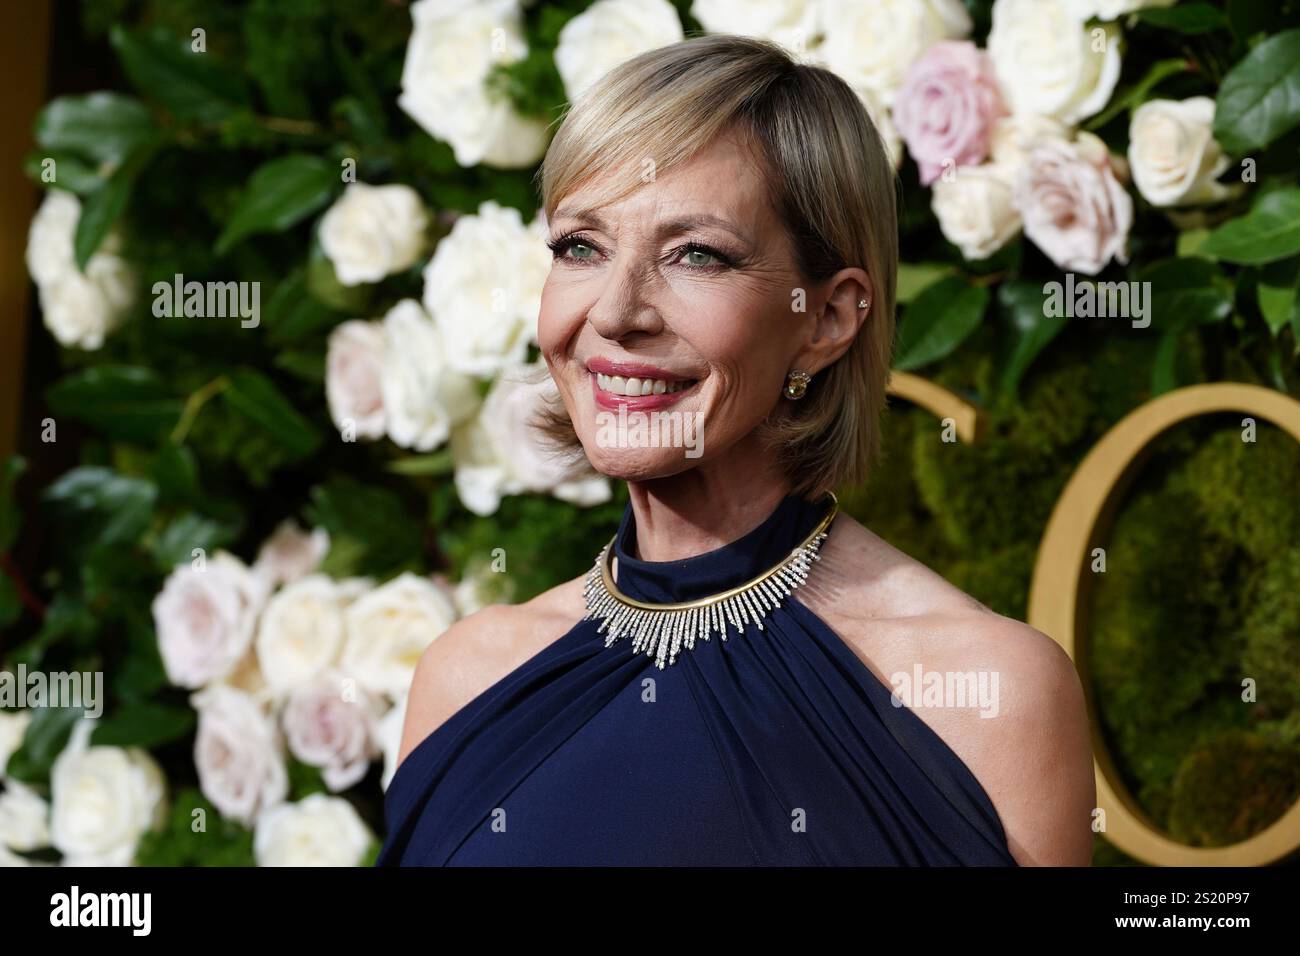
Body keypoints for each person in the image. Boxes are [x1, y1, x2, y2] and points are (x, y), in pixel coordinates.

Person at [378, 34, 1094, 867]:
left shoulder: (984, 696)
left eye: (696, 254)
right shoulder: (467, 679)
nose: (615, 314)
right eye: (581, 245)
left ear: (828, 319)